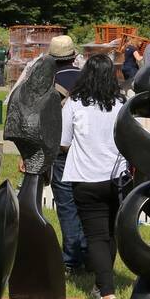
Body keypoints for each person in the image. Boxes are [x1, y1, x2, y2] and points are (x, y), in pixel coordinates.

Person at [61, 53, 127, 299]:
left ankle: (108, 295)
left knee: (97, 236)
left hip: (86, 177)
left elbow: (64, 141)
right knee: (110, 233)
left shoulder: (75, 103)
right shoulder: (121, 103)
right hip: (116, 177)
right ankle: (103, 284)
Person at [46, 35, 86, 273]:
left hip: (62, 151)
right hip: (86, 150)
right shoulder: (86, 81)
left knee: (67, 205)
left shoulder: (50, 84)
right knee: (87, 206)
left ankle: (71, 259)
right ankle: (88, 253)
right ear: (73, 56)